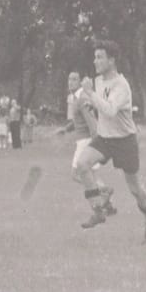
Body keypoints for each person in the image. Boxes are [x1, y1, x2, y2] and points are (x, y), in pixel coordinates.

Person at [75, 41, 146, 244]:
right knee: (82, 164)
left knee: (135, 189)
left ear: (111, 60)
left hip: (124, 141)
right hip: (105, 138)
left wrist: (90, 94)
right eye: (95, 57)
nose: (95, 61)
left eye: (100, 57)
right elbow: (102, 108)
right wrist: (91, 103)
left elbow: (111, 110)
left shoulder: (122, 85)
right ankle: (98, 211)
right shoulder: (98, 81)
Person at [57, 71, 117, 224]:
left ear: (79, 82)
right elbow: (78, 121)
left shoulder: (82, 98)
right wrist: (66, 129)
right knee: (93, 176)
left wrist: (96, 142)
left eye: (74, 79)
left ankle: (105, 191)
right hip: (84, 140)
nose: (71, 82)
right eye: (69, 79)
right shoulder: (75, 98)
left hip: (86, 142)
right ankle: (108, 205)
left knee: (75, 175)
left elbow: (91, 121)